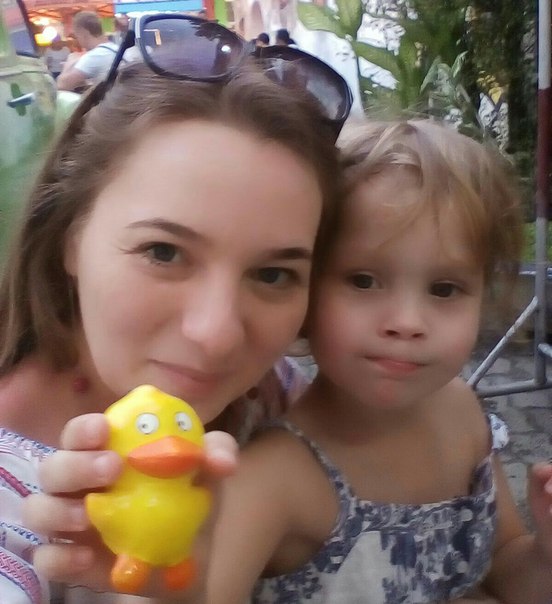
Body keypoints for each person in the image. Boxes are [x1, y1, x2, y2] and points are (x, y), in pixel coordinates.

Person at [0, 14, 347, 601]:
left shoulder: (273, 396)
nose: (216, 335)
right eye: (163, 252)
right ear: (69, 237)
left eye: (272, 274)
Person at [205, 120, 552, 603]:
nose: (407, 322)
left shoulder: (462, 412)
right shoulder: (270, 481)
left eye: (444, 289)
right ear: (306, 287)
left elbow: (507, 564)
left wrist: (544, 554)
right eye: (364, 281)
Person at [57, 11, 123, 92]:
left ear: (83, 33)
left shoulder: (95, 56)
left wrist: (68, 64)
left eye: (77, 36)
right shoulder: (115, 48)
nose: (78, 41)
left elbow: (61, 85)